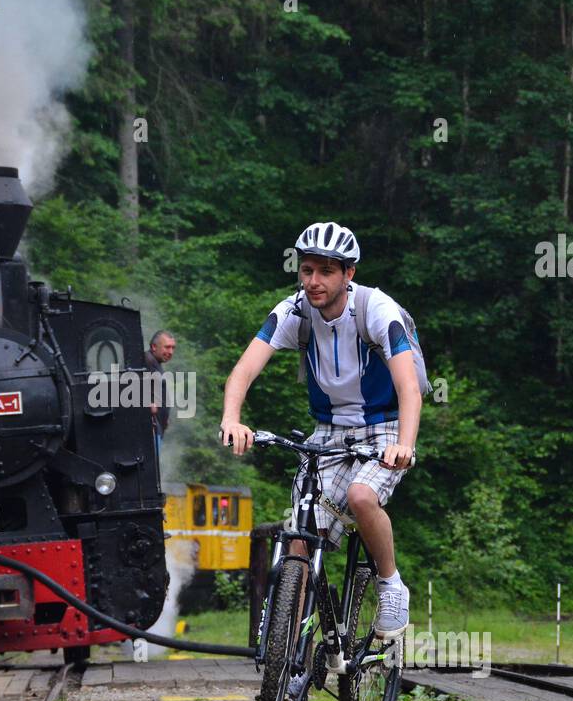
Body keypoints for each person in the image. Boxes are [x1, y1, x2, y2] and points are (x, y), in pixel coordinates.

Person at [220, 221, 423, 644]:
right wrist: (232, 418)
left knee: (361, 496)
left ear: (348, 274)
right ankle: (287, 650)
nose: (314, 281)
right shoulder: (295, 311)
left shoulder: (376, 310)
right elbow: (244, 369)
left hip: (384, 426)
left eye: (326, 271)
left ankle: (391, 586)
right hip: (327, 431)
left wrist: (404, 443)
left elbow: (408, 386)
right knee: (300, 533)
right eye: (307, 269)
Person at [145, 330, 175, 457]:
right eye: (167, 347)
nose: (171, 352)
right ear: (154, 347)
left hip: (158, 426)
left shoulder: (155, 363)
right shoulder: (146, 360)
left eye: (173, 348)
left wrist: (165, 417)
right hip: (150, 428)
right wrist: (147, 402)